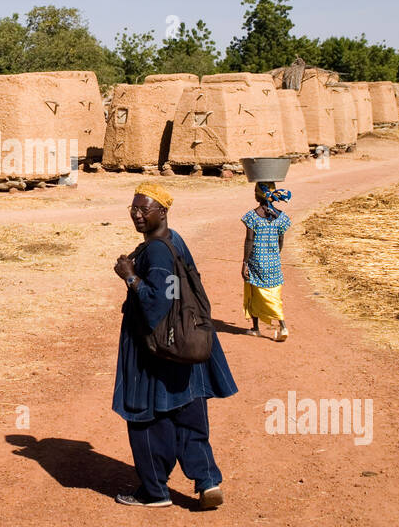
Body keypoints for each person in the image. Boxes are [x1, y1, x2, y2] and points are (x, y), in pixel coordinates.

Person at [112, 182, 238, 508]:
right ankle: (207, 481)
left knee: (147, 418)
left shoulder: (155, 250)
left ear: (162, 212)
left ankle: (155, 491)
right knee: (190, 414)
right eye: (133, 209)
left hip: (159, 352)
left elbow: (158, 302)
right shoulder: (175, 240)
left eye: (144, 209)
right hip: (186, 346)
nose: (137, 216)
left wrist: (129, 275)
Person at [241, 181, 292, 341]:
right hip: (274, 263)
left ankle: (260, 327)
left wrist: (244, 263)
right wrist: (275, 255)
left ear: (257, 195)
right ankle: (275, 327)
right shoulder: (281, 217)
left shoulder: (252, 216)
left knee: (254, 293)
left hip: (256, 261)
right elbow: (281, 241)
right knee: (274, 295)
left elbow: (249, 241)